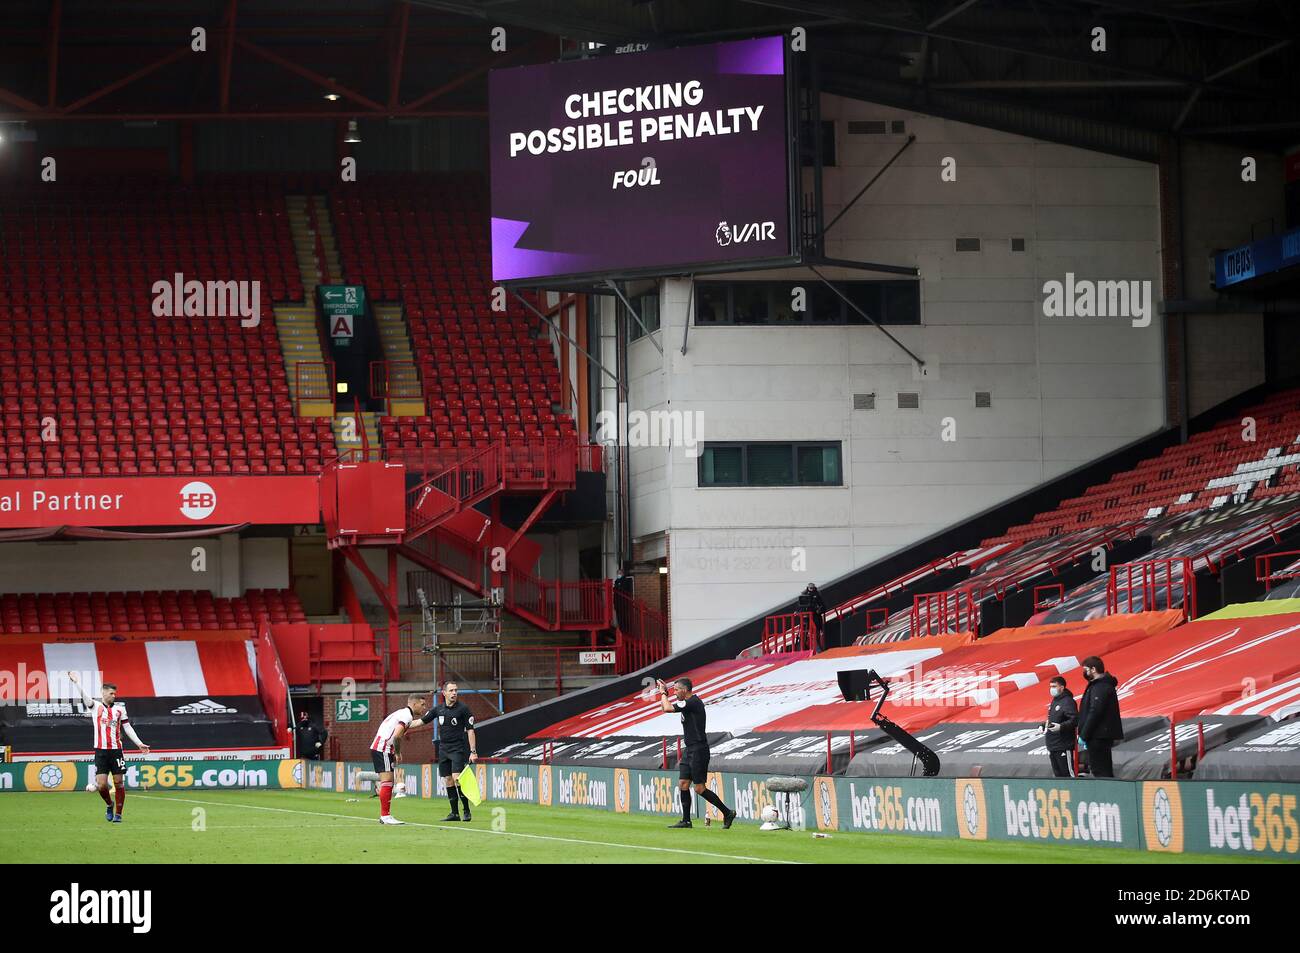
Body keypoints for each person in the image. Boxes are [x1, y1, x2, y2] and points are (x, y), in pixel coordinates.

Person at [67, 671, 150, 823]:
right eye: (111, 693)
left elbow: (128, 727)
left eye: (115, 693)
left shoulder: (120, 710)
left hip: (116, 751)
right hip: (101, 752)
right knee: (102, 784)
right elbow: (85, 697)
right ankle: (109, 804)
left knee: (118, 782)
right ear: (103, 693)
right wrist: (76, 682)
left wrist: (139, 743)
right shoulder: (95, 706)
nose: (114, 696)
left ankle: (119, 814)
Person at [657, 677, 735, 829]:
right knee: (683, 783)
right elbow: (664, 707)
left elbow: (666, 708)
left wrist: (663, 693)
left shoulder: (693, 702)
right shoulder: (686, 703)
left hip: (699, 749)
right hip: (690, 749)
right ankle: (686, 821)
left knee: (699, 788)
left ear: (685, 690)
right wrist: (664, 694)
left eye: (676, 690)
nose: (675, 693)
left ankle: (727, 812)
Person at [412, 681, 478, 822]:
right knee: (448, 780)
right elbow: (420, 722)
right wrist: (402, 724)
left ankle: (466, 810)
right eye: (451, 690)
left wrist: (473, 751)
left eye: (456, 690)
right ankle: (454, 813)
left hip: (457, 748)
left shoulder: (463, 709)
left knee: (457, 778)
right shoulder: (438, 709)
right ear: (444, 693)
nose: (454, 693)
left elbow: (471, 731)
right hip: (443, 749)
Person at [368, 693, 429, 825]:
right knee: (388, 781)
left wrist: (429, 717)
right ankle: (385, 816)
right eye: (422, 704)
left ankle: (385, 815)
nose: (424, 707)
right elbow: (396, 736)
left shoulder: (403, 713)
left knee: (388, 781)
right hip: (383, 747)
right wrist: (398, 752)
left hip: (381, 746)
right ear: (414, 704)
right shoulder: (406, 715)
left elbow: (409, 725)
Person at [1076, 656, 1123, 778]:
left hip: (1099, 735)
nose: (1084, 672)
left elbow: (1095, 711)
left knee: (1100, 770)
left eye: (1086, 669)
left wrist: (1084, 734)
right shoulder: (1097, 685)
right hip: (1098, 735)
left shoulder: (1101, 686)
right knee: (1100, 769)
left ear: (1093, 669)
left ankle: (1107, 795)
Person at [1041, 675, 1078, 778]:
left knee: (1068, 775)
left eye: (1054, 686)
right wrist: (1043, 725)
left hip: (1063, 745)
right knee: (1058, 777)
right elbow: (1052, 720)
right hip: (1053, 745)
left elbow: (1074, 720)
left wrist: (1061, 727)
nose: (1051, 689)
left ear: (1062, 687)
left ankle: (1075, 793)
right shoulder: (1055, 701)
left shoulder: (1068, 701)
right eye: (1050, 686)